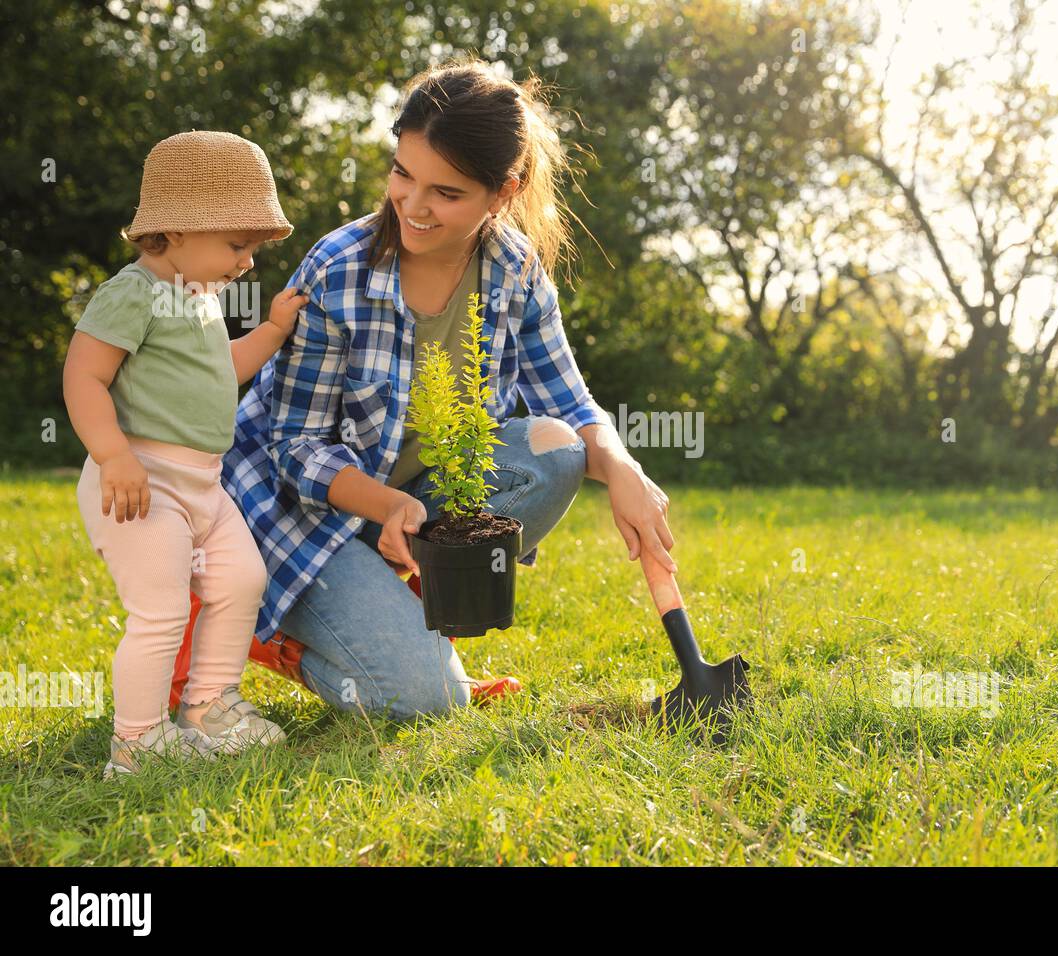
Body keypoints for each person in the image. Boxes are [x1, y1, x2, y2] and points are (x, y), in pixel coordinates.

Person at [221, 56, 677, 721]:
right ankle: (282, 637)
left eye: (447, 192)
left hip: (413, 505)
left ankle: (402, 611)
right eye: (403, 174)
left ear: (505, 191)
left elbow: (570, 408)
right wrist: (383, 506)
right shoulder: (339, 269)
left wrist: (625, 469)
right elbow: (295, 447)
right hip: (305, 514)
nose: (413, 204)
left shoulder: (516, 271)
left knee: (557, 451)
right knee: (426, 701)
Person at [64, 131, 308, 777]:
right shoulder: (132, 292)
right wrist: (113, 454)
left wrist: (275, 330)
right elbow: (83, 374)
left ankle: (208, 707)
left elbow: (221, 372)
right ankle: (137, 742)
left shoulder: (199, 298)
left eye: (253, 249)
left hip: (204, 485)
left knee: (240, 580)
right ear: (173, 231)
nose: (248, 263)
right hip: (141, 481)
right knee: (162, 611)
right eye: (238, 245)